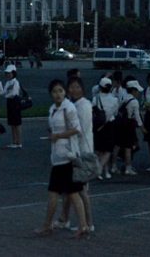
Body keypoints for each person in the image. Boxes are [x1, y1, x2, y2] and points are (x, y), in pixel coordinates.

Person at [36, 79, 87, 239]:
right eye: (54, 91)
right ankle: (48, 225)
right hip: (56, 156)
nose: (57, 94)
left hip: (68, 156)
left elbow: (76, 129)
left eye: (60, 91)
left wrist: (58, 135)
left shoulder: (69, 108)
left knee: (71, 193)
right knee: (57, 193)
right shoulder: (53, 109)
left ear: (65, 92)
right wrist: (52, 134)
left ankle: (82, 225)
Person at [56, 77, 94, 234]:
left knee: (81, 190)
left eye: (76, 87)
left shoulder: (83, 106)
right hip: (73, 151)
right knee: (69, 188)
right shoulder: (74, 105)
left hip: (81, 152)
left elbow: (79, 130)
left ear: (82, 89)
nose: (73, 90)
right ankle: (64, 219)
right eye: (70, 87)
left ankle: (88, 223)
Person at [114, 80, 144, 175]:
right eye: (137, 91)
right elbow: (137, 117)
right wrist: (142, 128)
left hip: (120, 124)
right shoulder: (134, 102)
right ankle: (128, 167)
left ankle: (113, 166)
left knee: (117, 146)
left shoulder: (124, 98)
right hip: (129, 125)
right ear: (134, 91)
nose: (138, 93)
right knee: (128, 147)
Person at [93, 77, 118, 179]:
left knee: (99, 150)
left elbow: (93, 111)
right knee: (108, 150)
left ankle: (102, 170)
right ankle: (101, 169)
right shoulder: (114, 99)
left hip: (98, 125)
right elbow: (115, 113)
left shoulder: (96, 98)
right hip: (109, 125)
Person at [3, 64, 24, 148]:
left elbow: (14, 93)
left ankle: (19, 142)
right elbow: (4, 91)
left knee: (17, 123)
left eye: (10, 73)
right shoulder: (8, 82)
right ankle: (14, 141)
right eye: (7, 73)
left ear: (14, 73)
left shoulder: (15, 82)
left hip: (15, 102)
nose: (8, 75)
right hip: (10, 102)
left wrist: (6, 95)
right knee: (12, 123)